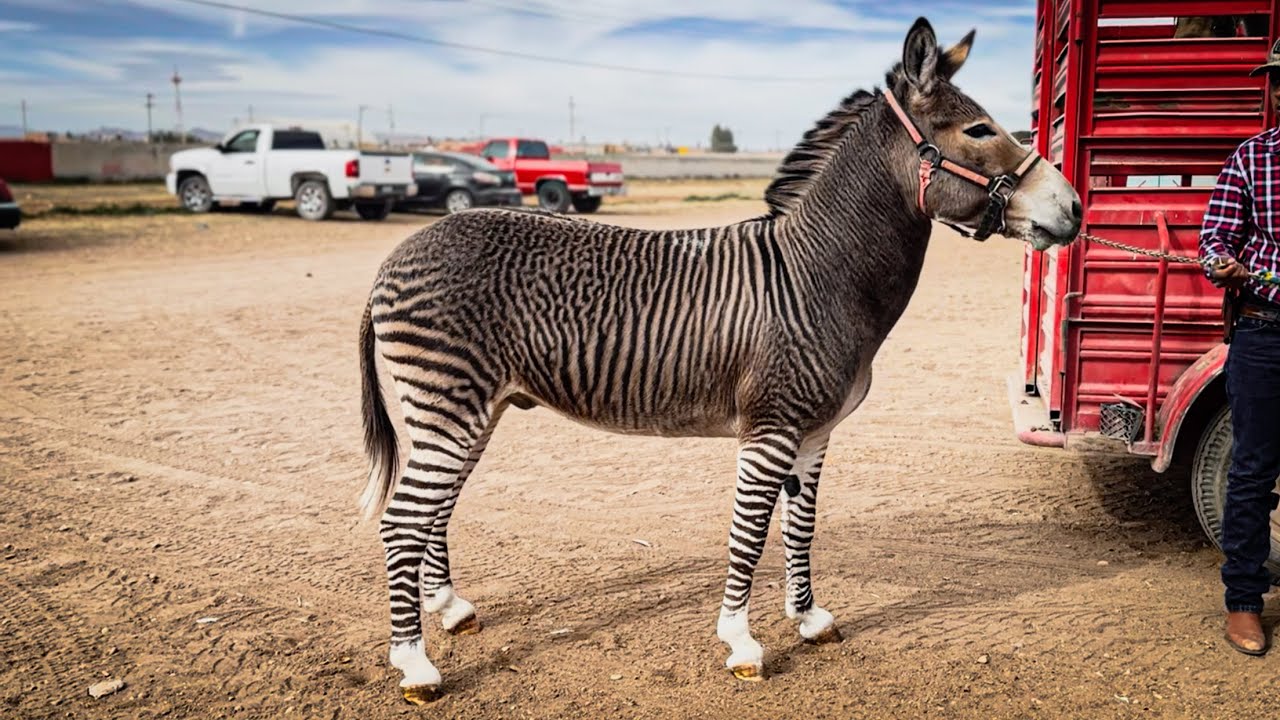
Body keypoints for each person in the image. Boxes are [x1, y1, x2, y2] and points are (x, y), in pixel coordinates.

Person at [1197, 38, 1280, 657]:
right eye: (1277, 82)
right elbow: (1215, 238)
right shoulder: (1252, 160)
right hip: (1266, 332)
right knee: (1252, 471)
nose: (1279, 91)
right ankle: (1244, 603)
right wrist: (1221, 262)